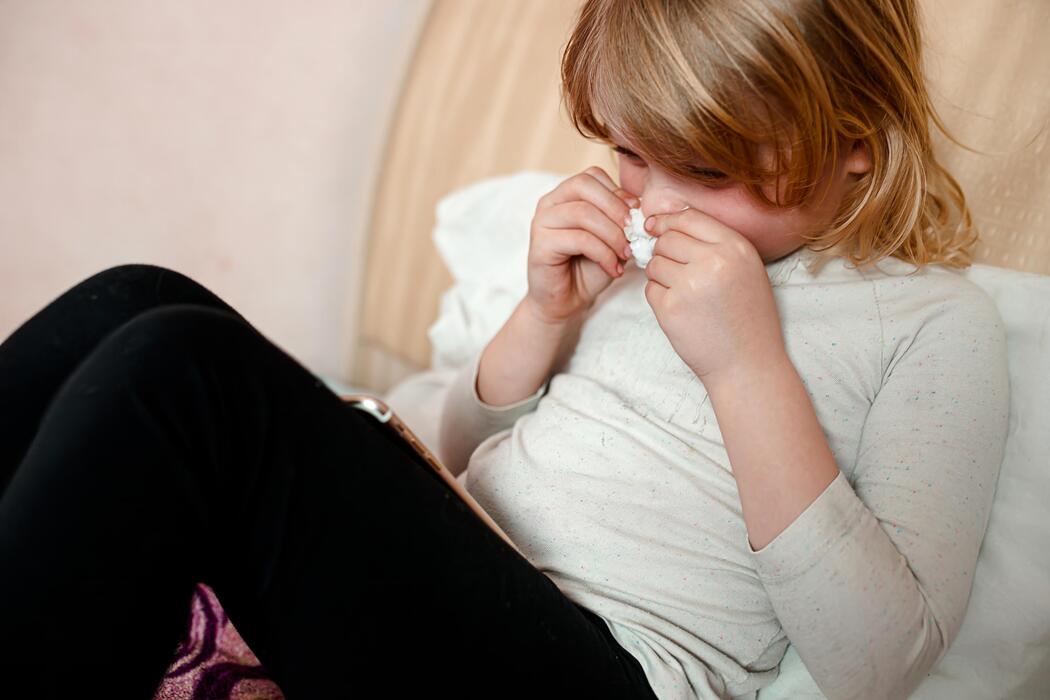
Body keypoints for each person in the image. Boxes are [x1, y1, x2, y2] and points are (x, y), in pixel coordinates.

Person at [0, 2, 1009, 700]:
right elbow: (463, 441)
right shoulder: (638, 250)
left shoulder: (931, 326)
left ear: (856, 139)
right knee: (138, 299)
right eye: (628, 152)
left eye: (702, 167)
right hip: (470, 567)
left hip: (602, 669)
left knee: (182, 375)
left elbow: (880, 658)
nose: (649, 201)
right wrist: (542, 317)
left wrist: (748, 369)